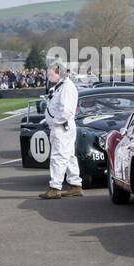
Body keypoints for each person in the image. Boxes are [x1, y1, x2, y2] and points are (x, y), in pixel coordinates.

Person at [41, 65, 82, 198]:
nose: (49, 77)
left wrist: (54, 122)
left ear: (59, 73)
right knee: (68, 156)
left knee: (58, 157)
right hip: (62, 126)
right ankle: (75, 185)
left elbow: (66, 111)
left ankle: (55, 187)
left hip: (62, 127)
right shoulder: (62, 87)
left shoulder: (67, 88)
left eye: (51, 74)